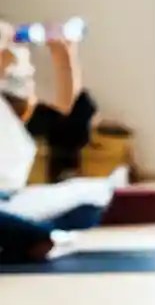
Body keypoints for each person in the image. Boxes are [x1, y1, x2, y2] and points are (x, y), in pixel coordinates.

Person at [1, 20, 97, 183]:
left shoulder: (14, 111)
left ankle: (65, 174)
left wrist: (64, 52)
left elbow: (65, 108)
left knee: (82, 107)